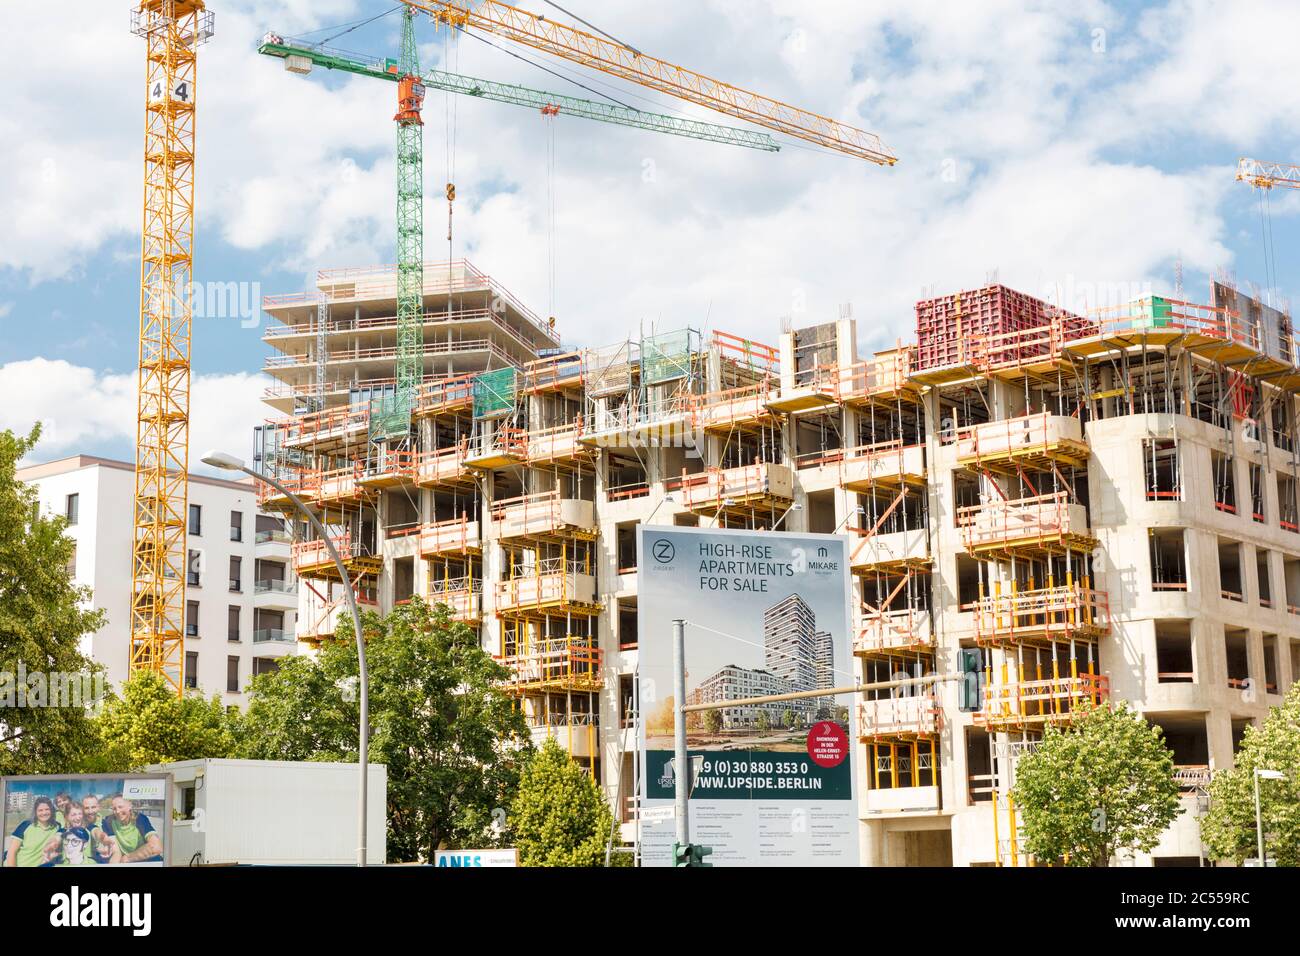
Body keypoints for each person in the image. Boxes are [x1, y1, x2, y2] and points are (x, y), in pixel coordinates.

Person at [101, 794, 164, 864]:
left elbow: (156, 847)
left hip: (145, 859)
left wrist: (127, 858)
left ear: (130, 806)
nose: (117, 811)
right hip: (125, 862)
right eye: (114, 809)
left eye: (120, 807)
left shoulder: (140, 819)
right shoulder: (108, 822)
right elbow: (116, 852)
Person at [4, 797, 62, 867]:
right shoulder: (25, 825)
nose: (44, 813)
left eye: (47, 809)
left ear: (52, 810)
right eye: (40, 810)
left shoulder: (57, 827)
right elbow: (11, 852)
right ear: (35, 812)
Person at [81, 793, 114, 865]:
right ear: (82, 809)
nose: (90, 811)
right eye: (87, 808)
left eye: (93, 807)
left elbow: (115, 850)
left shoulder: (106, 824)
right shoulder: (77, 824)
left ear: (98, 807)